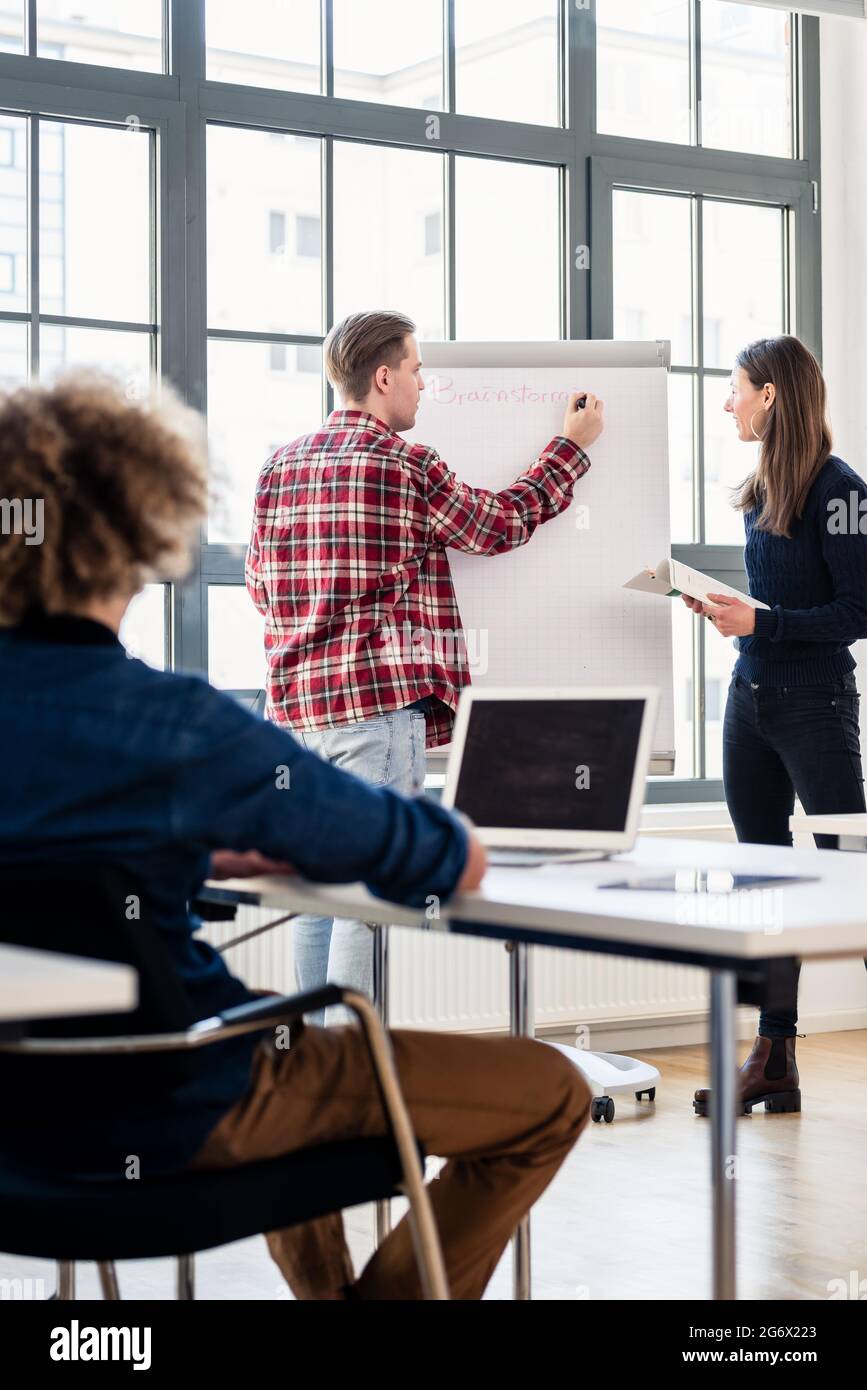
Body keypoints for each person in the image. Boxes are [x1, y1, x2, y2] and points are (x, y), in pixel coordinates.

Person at [0, 370, 592, 1300]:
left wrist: (190, 848)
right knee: (550, 1091)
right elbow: (437, 856)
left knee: (280, 1034)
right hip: (182, 1104)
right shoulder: (171, 726)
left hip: (19, 1138)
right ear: (142, 535)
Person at [247, 310, 605, 1021]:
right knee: (368, 902)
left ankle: (318, 1072)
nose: (421, 385)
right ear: (382, 377)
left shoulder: (277, 466)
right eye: (415, 371)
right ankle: (357, 1076)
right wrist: (568, 447)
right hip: (374, 718)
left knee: (314, 893)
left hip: (293, 720)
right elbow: (499, 524)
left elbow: (259, 584)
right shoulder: (407, 466)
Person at [683, 335, 867, 1115]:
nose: (726, 402)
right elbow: (774, 612)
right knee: (765, 878)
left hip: (816, 708)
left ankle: (774, 1056)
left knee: (850, 879)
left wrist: (765, 622)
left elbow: (857, 612)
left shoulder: (840, 491)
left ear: (772, 396)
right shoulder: (761, 487)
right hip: (748, 703)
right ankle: (775, 1058)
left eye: (736, 389)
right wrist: (733, 617)